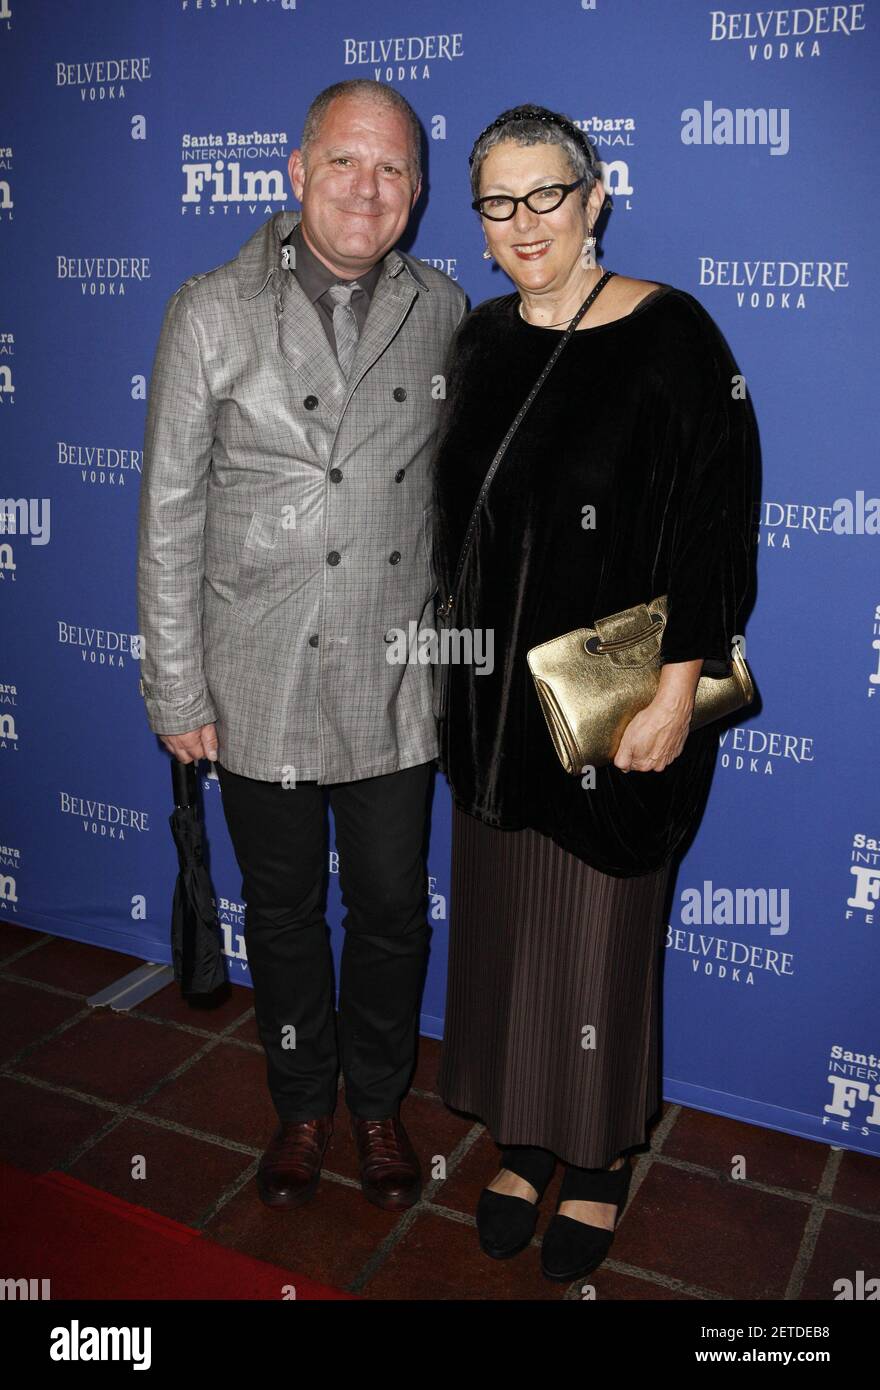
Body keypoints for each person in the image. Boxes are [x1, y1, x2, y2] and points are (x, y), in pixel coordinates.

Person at [431, 104, 760, 1282]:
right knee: (511, 943)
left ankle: (602, 1157)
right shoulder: (476, 341)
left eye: (546, 195)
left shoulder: (672, 335)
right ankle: (524, 1141)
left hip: (613, 710)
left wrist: (677, 696)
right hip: (490, 717)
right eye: (497, 202)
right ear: (477, 220)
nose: (523, 223)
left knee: (596, 951)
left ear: (595, 197)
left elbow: (717, 531)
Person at [136, 80, 466, 1214]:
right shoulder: (209, 308)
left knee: (385, 907)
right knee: (278, 911)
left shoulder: (444, 308)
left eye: (391, 171)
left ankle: (376, 1101)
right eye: (344, 162)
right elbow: (169, 512)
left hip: (391, 682)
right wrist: (175, 682)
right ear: (296, 169)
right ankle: (300, 1103)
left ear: (416, 194)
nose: (366, 189)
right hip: (258, 675)